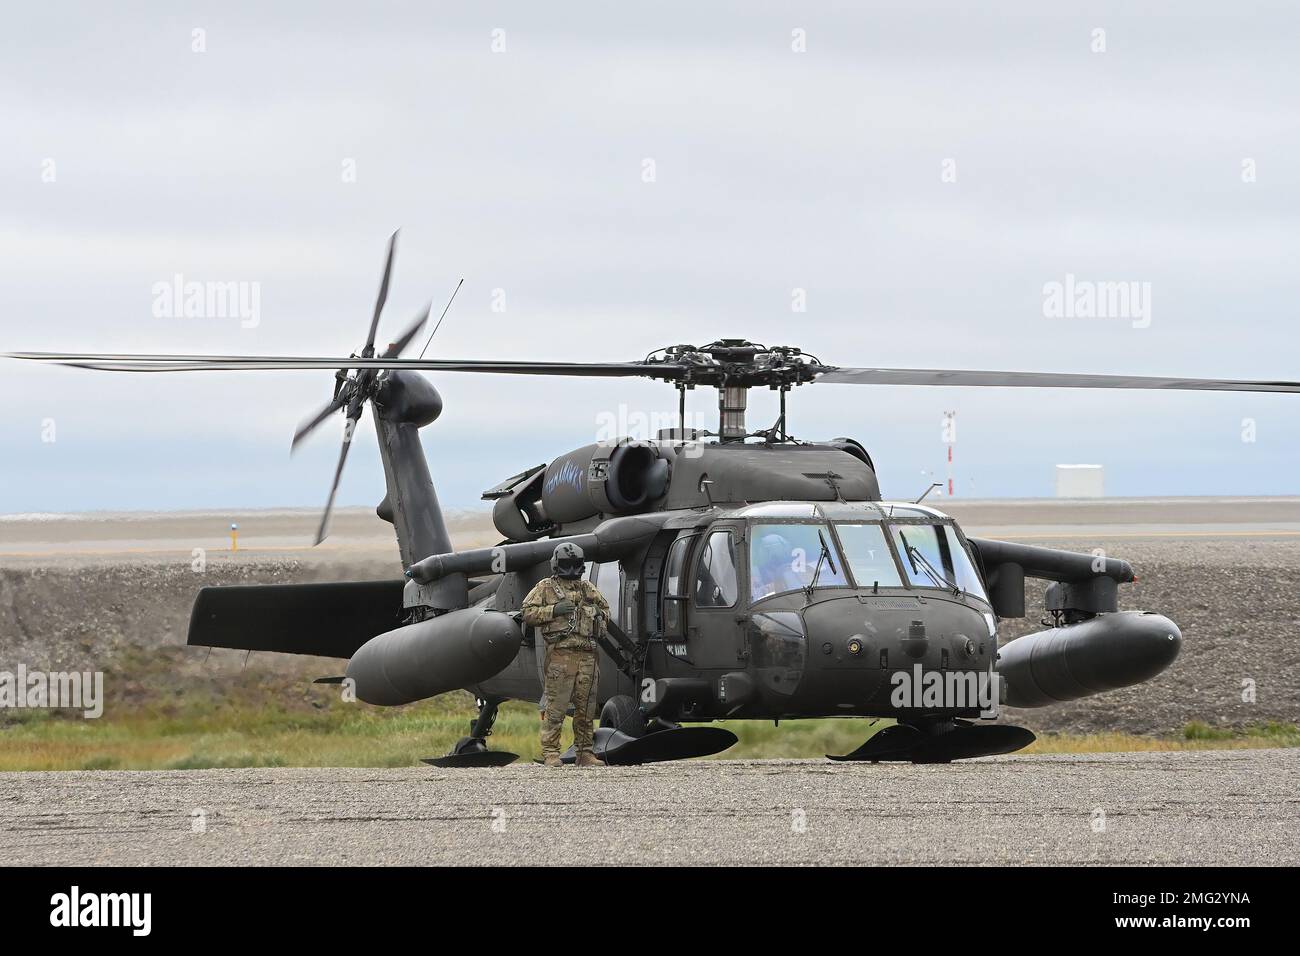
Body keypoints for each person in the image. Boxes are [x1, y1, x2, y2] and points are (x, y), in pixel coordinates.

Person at [521, 543, 610, 767]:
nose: (571, 570)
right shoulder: (546, 588)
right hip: (561, 655)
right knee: (556, 708)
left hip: (587, 655)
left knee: (586, 709)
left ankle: (585, 753)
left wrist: (598, 614)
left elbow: (605, 609)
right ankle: (551, 753)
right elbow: (527, 613)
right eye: (567, 564)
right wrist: (553, 611)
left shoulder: (586, 588)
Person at [750, 532, 803, 600]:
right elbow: (754, 595)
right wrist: (772, 587)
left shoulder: (795, 568)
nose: (773, 553)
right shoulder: (755, 572)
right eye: (768, 549)